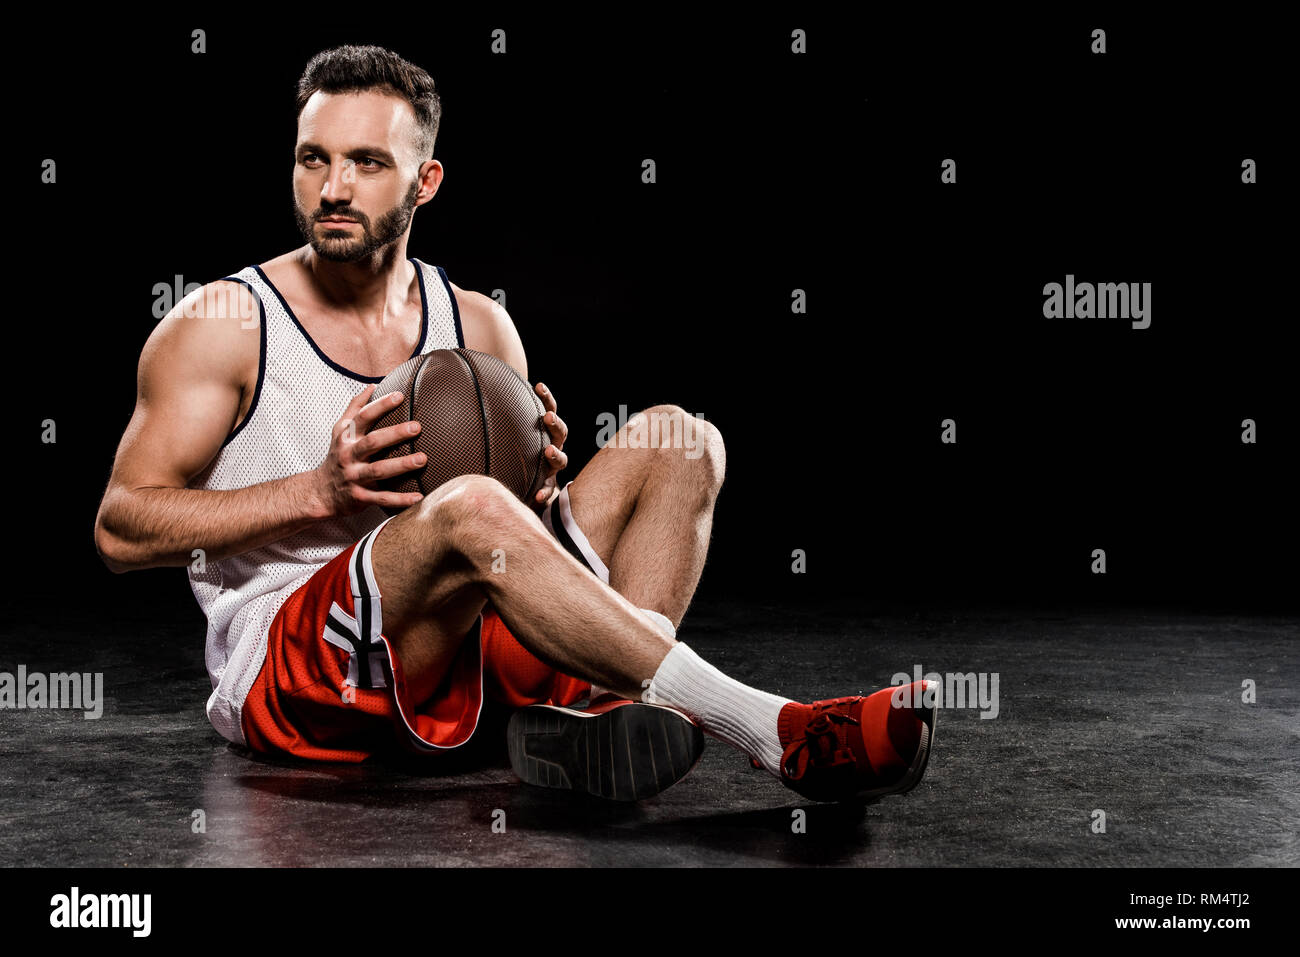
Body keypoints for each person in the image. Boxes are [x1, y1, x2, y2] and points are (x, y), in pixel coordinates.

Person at [93, 44, 937, 802]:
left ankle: (605, 721)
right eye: (313, 159)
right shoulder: (226, 322)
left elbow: (510, 533)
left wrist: (538, 481)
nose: (333, 189)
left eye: (365, 163)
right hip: (301, 666)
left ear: (425, 182)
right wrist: (319, 489)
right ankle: (773, 729)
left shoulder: (479, 326)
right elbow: (121, 528)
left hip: (460, 633)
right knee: (467, 505)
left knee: (682, 442)